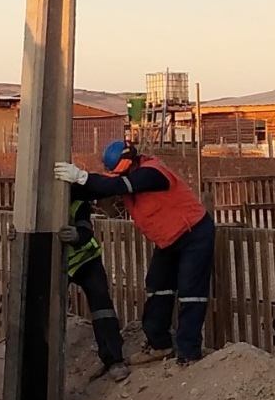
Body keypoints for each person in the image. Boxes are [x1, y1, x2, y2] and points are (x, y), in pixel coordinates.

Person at [55, 140, 214, 365]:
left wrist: (82, 176)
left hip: (194, 233)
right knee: (157, 288)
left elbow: (119, 185)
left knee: (191, 292)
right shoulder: (128, 176)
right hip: (168, 240)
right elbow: (102, 186)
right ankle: (160, 344)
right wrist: (70, 184)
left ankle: (189, 352)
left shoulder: (153, 173)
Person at [61, 186, 129, 380]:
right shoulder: (37, 200)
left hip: (86, 261)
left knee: (102, 308)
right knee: (49, 311)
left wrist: (76, 235)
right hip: (58, 265)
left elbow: (85, 230)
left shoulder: (78, 203)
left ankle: (114, 360)